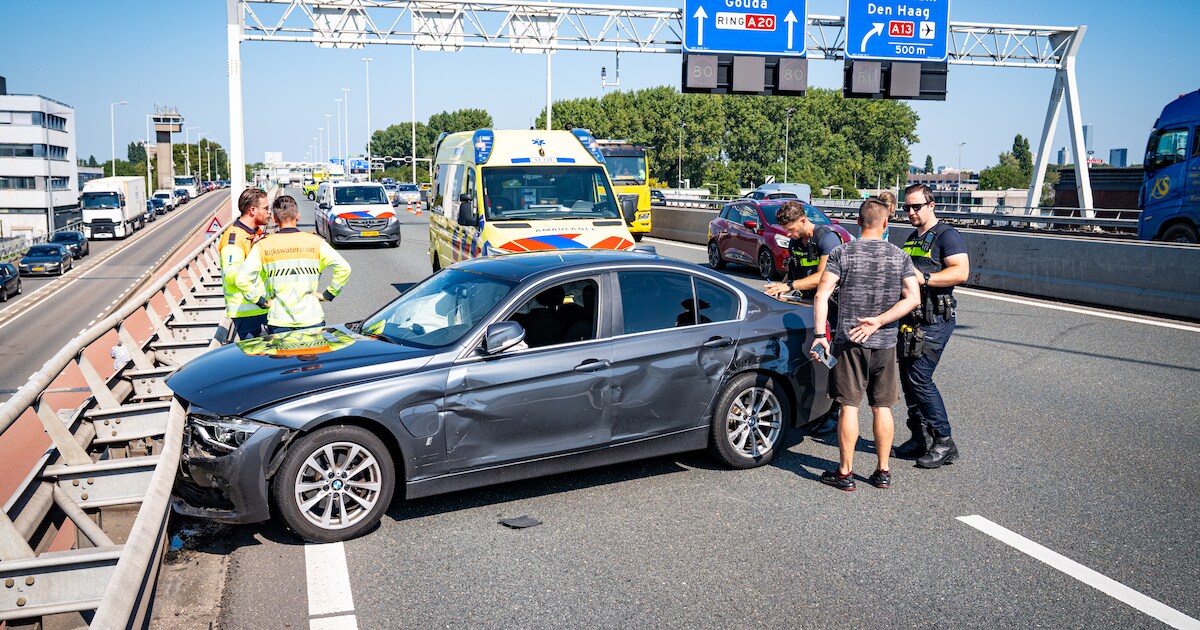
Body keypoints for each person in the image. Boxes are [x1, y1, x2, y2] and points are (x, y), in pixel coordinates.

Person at [810, 198, 921, 491]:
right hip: (884, 342)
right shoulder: (899, 256)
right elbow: (913, 299)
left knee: (848, 406)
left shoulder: (841, 252)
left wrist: (820, 335)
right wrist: (880, 321)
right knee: (882, 407)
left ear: (858, 223)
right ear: (886, 223)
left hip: (849, 342)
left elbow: (822, 295)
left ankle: (845, 473)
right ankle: (883, 471)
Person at [892, 183, 970, 468]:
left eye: (916, 206)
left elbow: (961, 272)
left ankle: (944, 442)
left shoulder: (947, 235)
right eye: (907, 207)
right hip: (910, 320)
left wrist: (923, 278)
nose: (911, 211)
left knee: (919, 377)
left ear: (931, 205)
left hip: (935, 319)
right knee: (908, 379)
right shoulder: (912, 238)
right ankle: (919, 437)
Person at [236, 195, 351, 334]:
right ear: (298, 216)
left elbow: (241, 280)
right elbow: (344, 268)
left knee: (285, 355)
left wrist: (262, 302)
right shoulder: (315, 242)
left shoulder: (263, 245)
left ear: (275, 219)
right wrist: (329, 294)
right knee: (311, 354)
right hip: (311, 318)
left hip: (279, 319)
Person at [765, 201, 843, 301]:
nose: (788, 234)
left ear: (802, 221)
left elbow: (823, 277)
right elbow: (792, 272)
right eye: (786, 230)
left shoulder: (827, 238)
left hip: (829, 300)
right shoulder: (794, 242)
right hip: (806, 297)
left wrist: (789, 286)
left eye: (791, 229)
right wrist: (779, 290)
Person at [221, 188, 272, 340]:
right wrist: (253, 255)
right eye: (266, 208)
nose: (269, 212)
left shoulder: (255, 234)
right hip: (247, 313)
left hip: (262, 308)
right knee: (258, 361)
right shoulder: (234, 238)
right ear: (252, 210)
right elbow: (231, 276)